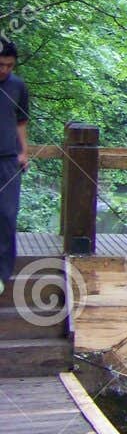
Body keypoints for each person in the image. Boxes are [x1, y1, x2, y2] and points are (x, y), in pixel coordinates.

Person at [0, 41, 29, 295]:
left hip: (8, 160)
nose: (4, 70)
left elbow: (21, 122)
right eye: (1, 65)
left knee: (7, 216)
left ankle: (2, 275)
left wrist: (24, 152)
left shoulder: (17, 86)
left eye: (9, 65)